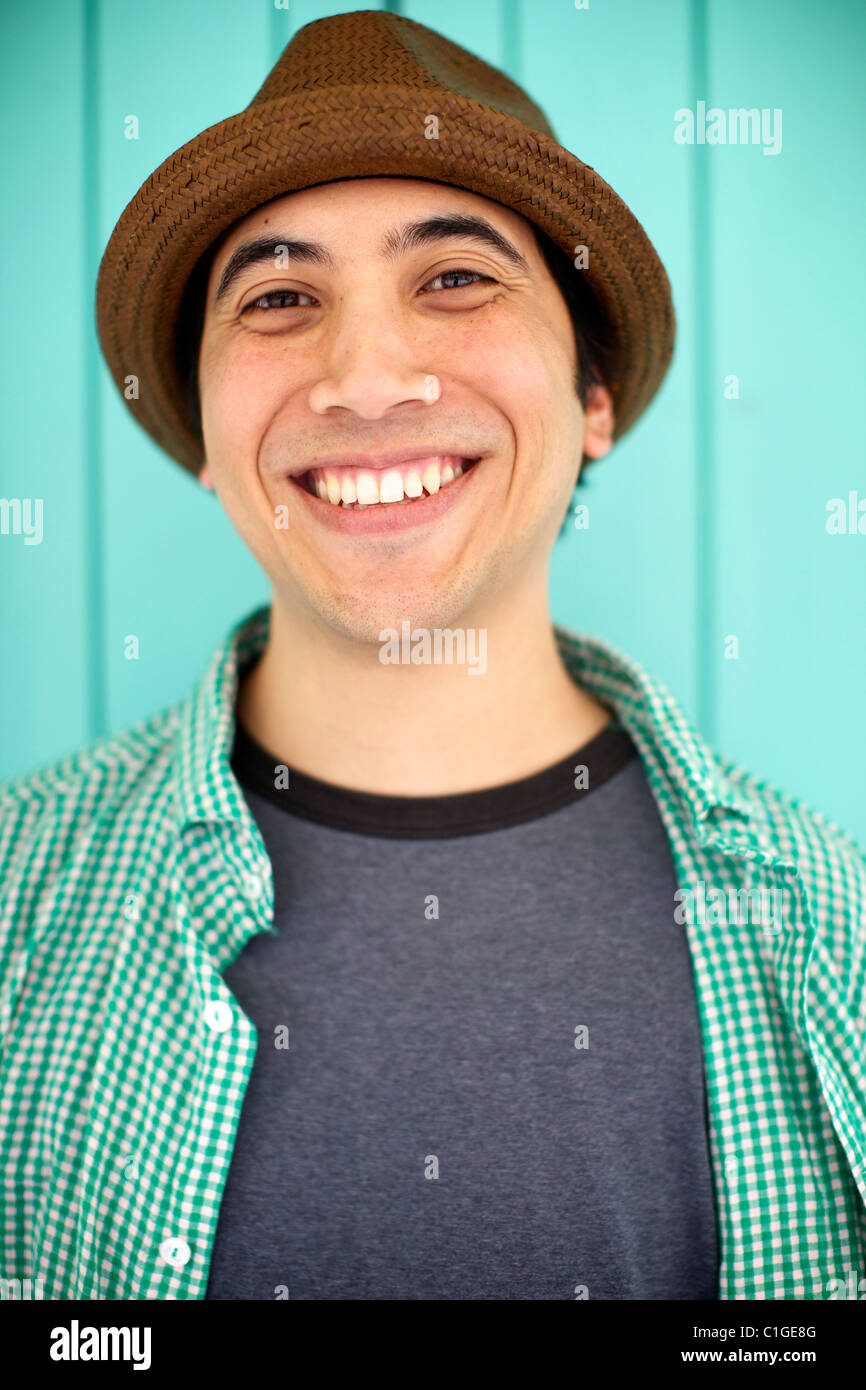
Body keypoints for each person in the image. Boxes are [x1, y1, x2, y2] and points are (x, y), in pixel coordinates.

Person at [2, 10, 864, 1302]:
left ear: (592, 400)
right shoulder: (18, 894)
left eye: (455, 278)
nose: (364, 375)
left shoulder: (828, 919)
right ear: (205, 428)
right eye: (280, 297)